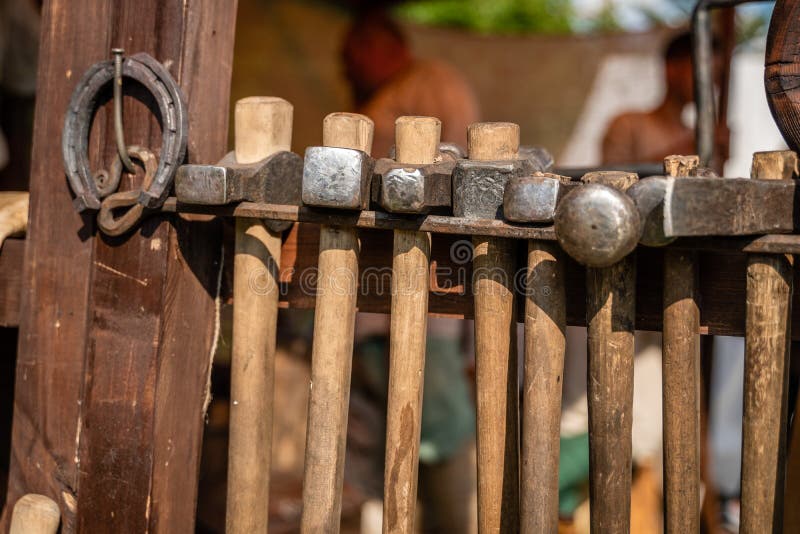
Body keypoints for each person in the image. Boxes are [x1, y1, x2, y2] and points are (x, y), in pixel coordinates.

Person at [340, 8, 481, 532]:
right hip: (367, 307)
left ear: (384, 47)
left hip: (425, 305)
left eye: (353, 54)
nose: (347, 66)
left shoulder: (434, 83)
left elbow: (459, 169)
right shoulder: (378, 99)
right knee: (377, 446)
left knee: (440, 436)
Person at [342, 9, 479, 157]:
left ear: (393, 50)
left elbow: (457, 143)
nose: (347, 70)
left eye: (352, 59)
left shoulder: (431, 80)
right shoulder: (380, 91)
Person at [602, 32, 727, 168]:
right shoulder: (627, 125)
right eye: (704, 74)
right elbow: (612, 176)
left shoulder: (694, 136)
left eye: (715, 76)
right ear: (672, 68)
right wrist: (690, 150)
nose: (710, 84)